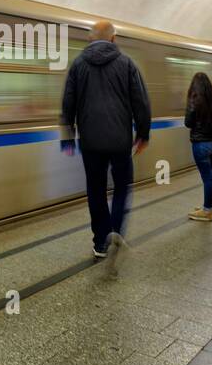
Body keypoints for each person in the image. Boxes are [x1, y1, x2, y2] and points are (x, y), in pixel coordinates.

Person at [59, 20, 152, 264]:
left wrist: (67, 135)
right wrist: (143, 134)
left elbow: (68, 102)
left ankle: (100, 241)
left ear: (91, 39)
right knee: (122, 185)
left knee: (95, 189)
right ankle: (116, 229)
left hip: (90, 141)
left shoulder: (78, 64)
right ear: (113, 38)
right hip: (120, 141)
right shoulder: (127, 63)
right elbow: (140, 101)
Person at [184, 72, 212, 221]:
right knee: (211, 177)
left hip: (201, 144)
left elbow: (188, 122)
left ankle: (206, 211)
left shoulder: (194, 99)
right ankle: (209, 207)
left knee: (207, 178)